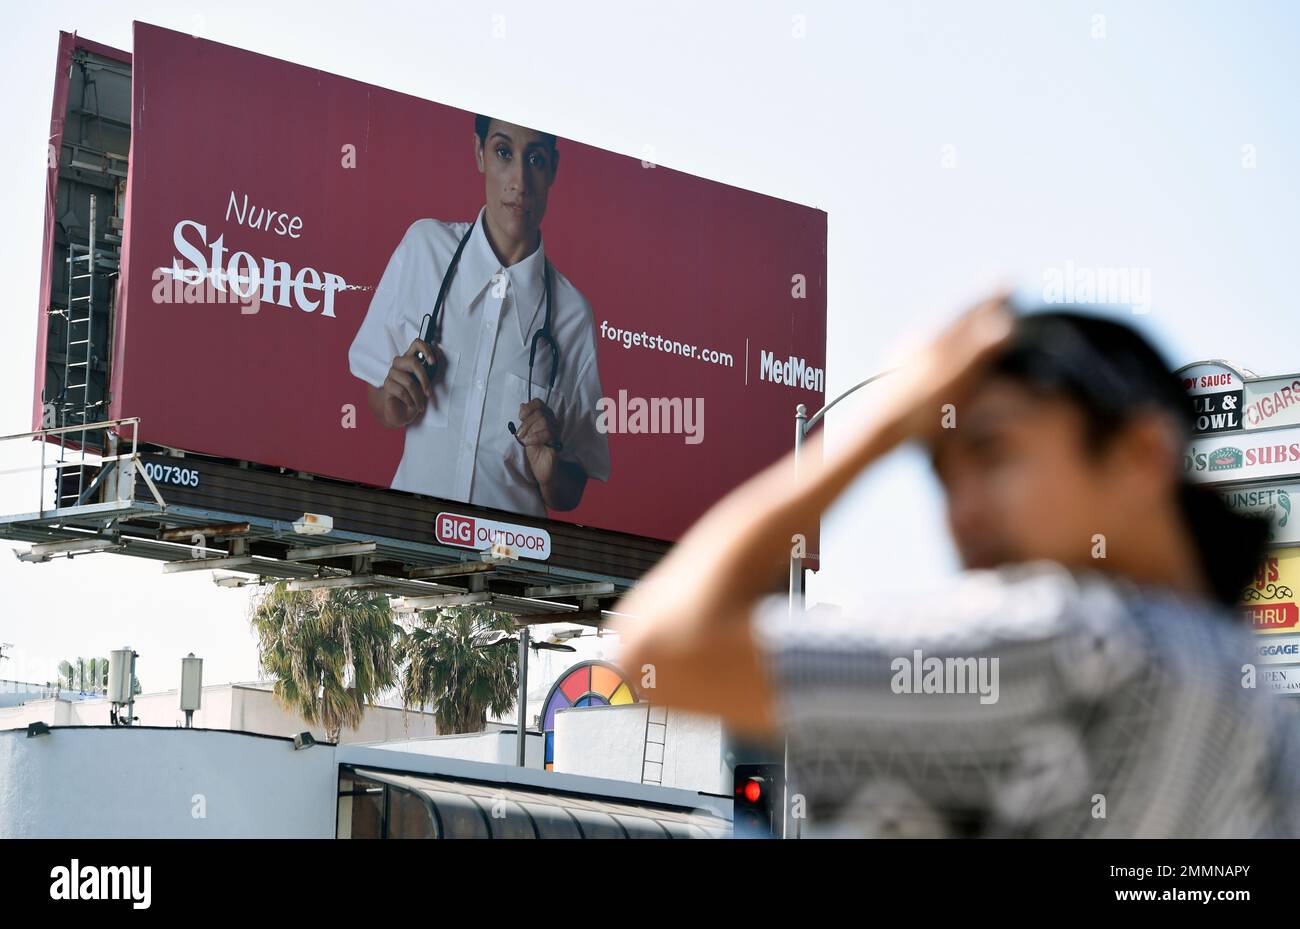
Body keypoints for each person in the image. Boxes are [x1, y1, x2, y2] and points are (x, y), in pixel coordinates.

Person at [616, 295, 1300, 838]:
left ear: (1139, 453)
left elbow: (659, 645)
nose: (960, 510)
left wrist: (881, 426)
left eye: (994, 452)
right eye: (943, 473)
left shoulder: (1063, 646)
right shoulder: (1251, 700)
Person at [348, 115, 610, 515]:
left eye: (535, 159)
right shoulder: (425, 249)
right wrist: (393, 402)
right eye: (504, 152)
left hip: (507, 564)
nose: (519, 181)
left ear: (554, 168)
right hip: (411, 544)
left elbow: (570, 490)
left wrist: (549, 469)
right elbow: (380, 401)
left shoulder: (573, 315)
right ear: (479, 152)